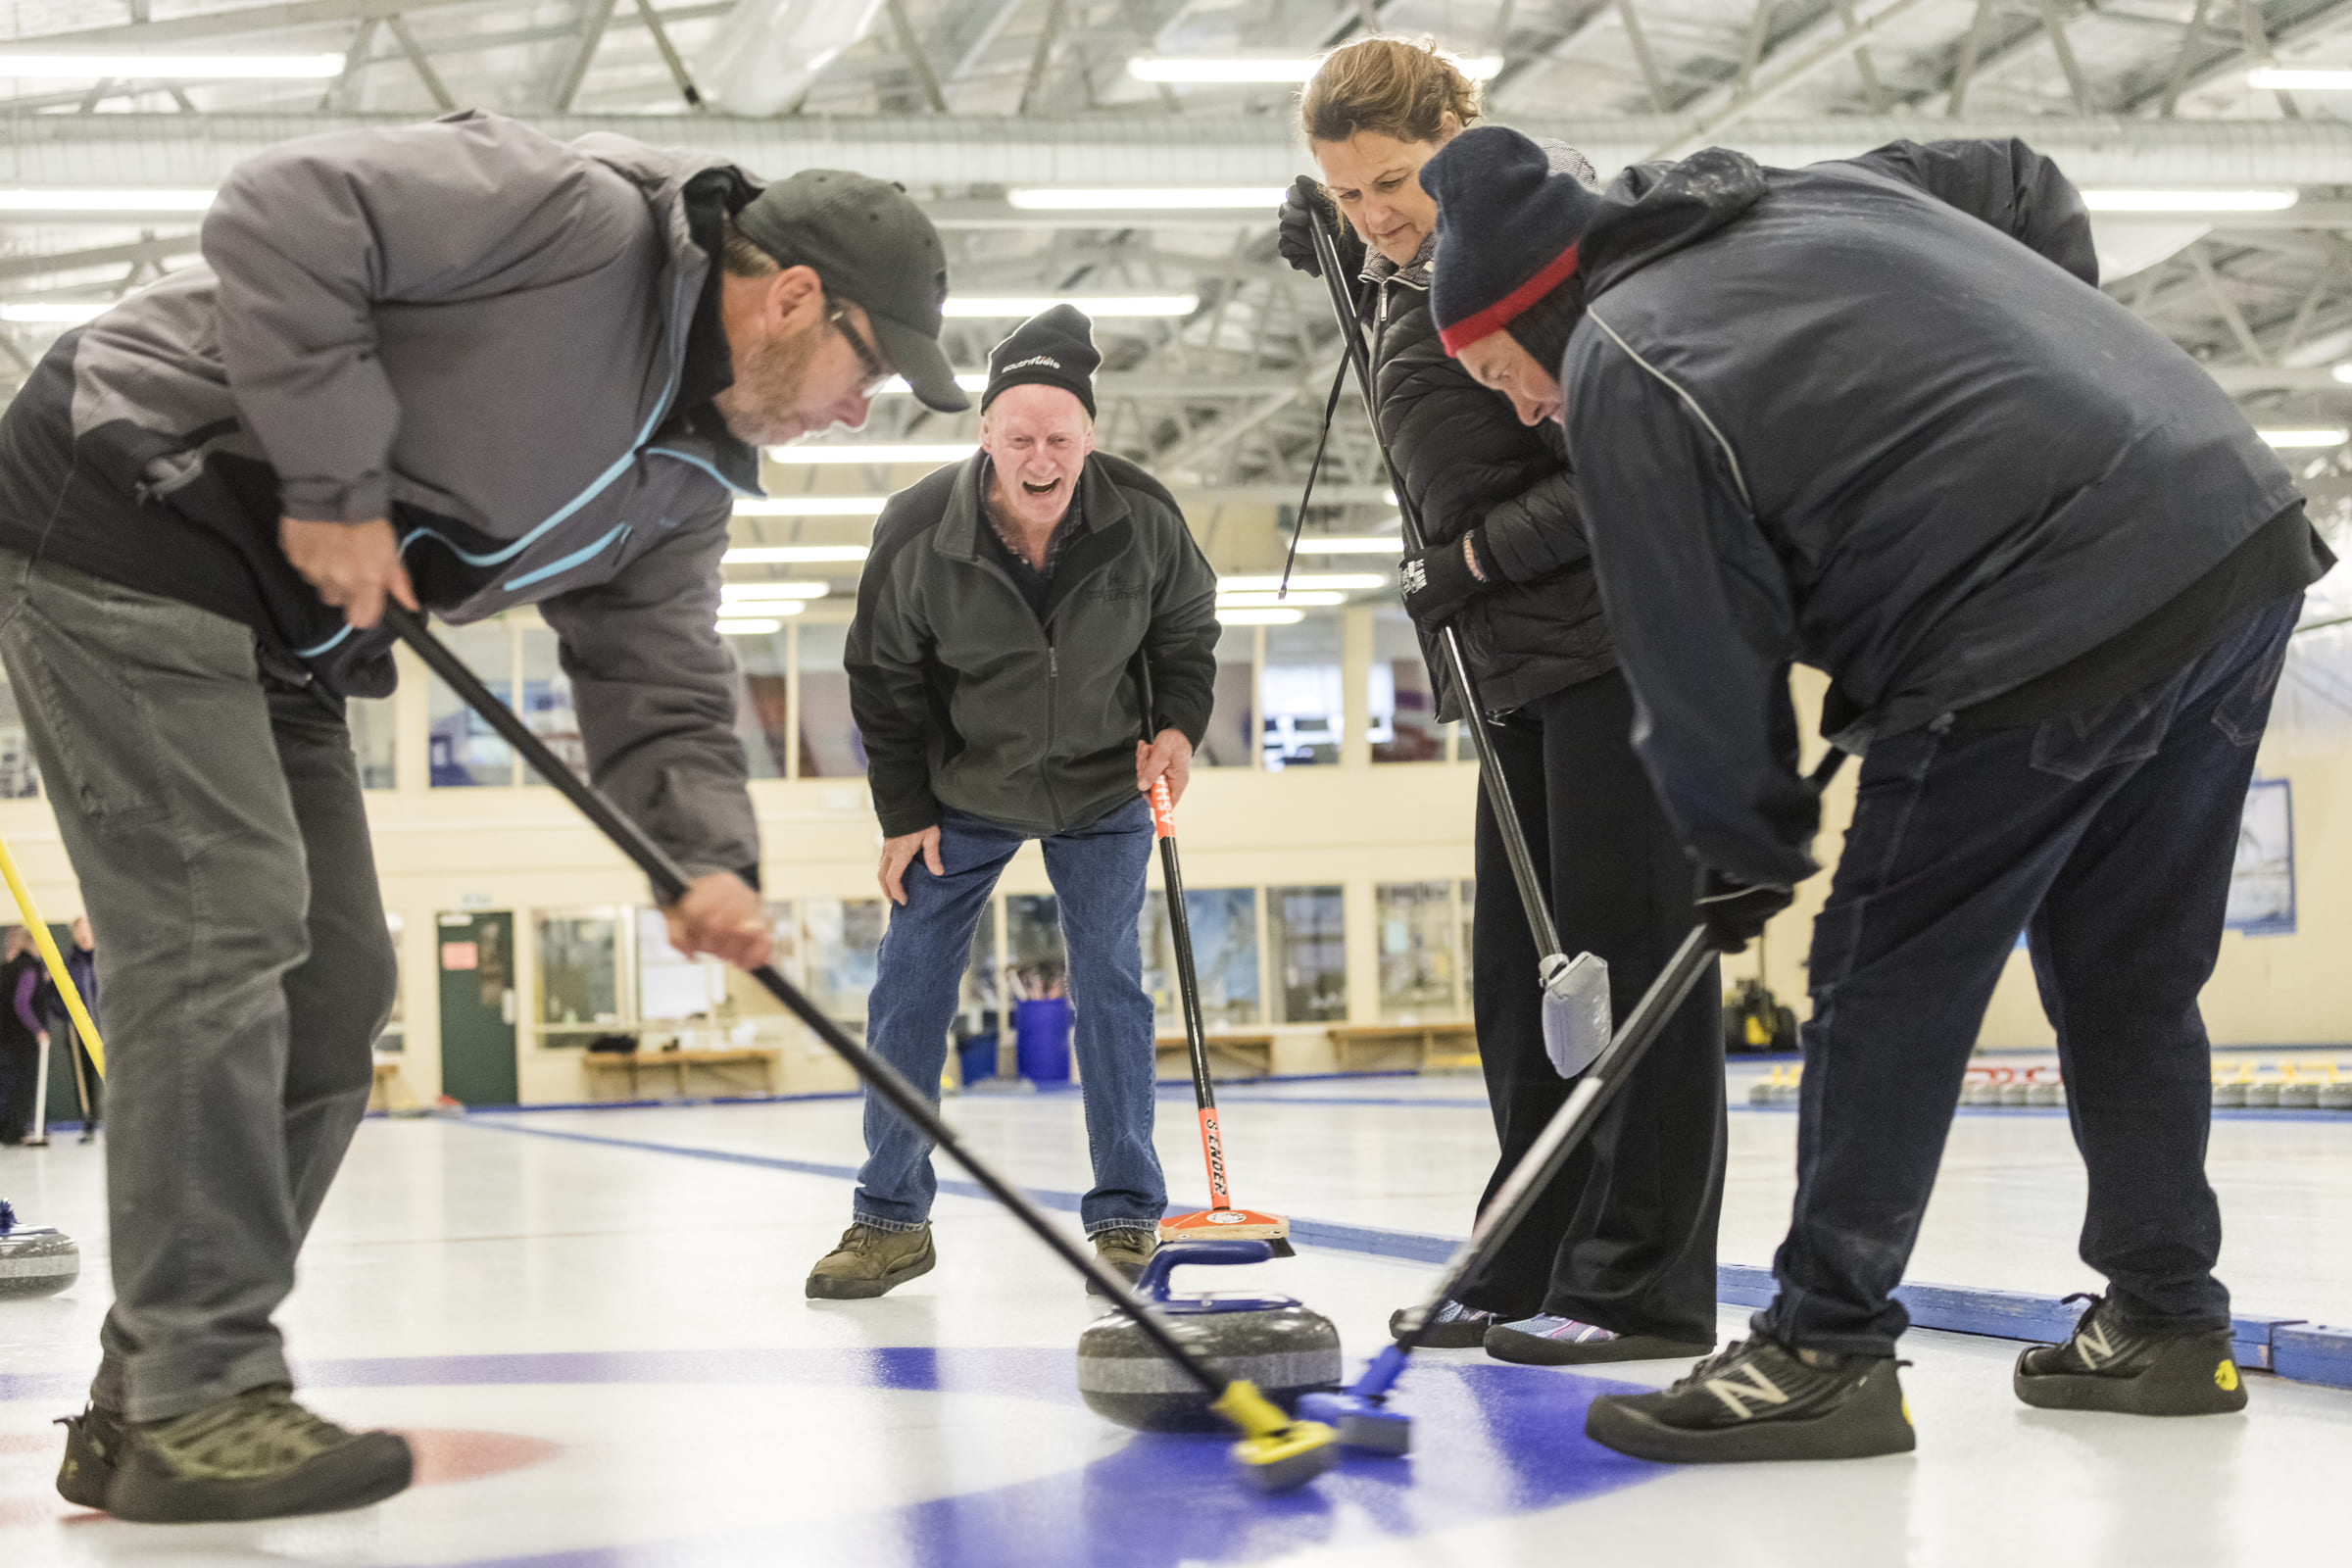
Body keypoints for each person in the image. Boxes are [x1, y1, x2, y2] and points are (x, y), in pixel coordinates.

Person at [0, 109, 967, 1523]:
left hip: (288, 627)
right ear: (792, 297)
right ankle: (201, 1393)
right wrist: (334, 483)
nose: (856, 407)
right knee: (225, 931)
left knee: (334, 987)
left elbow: (657, 674)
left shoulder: (682, 485)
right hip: (131, 500)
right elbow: (285, 203)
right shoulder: (578, 220)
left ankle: (155, 1394)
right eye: (866, 369)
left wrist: (704, 856)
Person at [1419, 125, 2328, 1461]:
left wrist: (1737, 839)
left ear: (1532, 307)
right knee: (2127, 971)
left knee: (1878, 974)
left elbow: (1690, 640)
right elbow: (2026, 178)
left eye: (1505, 375)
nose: (1524, 411)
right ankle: (2167, 1323)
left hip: (2028, 621)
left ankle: (1823, 1347)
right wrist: (2067, 403)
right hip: (2230, 541)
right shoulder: (1810, 193)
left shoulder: (1621, 358)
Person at [1272, 37, 1725, 1369]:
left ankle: (1643, 1283)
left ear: (1465, 133)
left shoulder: (1541, 238)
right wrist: (1354, 258)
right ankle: (1523, 1249)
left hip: (1617, 653)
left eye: (1394, 183)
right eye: (1348, 194)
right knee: (1519, 981)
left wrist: (1473, 558)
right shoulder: (1407, 258)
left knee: (1631, 968)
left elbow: (1629, 455)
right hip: (1513, 666)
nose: (1377, 214)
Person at [813, 305, 1218, 1300]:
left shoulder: (1145, 515)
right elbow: (879, 676)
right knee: (908, 984)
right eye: (1021, 436)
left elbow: (1185, 632)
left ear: (1091, 433)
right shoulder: (917, 528)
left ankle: (1127, 1211)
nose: (1042, 457)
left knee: (1111, 983)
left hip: (1103, 783)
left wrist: (1179, 724)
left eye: (1062, 438)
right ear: (985, 434)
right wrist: (903, 811)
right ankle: (890, 1221)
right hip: (961, 792)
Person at [37, 917, 102, 1141]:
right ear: (74, 935)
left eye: (87, 931)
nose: (84, 936)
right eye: (79, 932)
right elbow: (52, 994)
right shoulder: (66, 964)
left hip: (109, 1029)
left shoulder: (104, 958)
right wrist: (67, 1015)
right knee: (83, 1079)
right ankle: (89, 1123)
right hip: (78, 1033)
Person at [0, 926, 42, 1146]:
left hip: (7, 1039)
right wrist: (39, 1030)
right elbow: (21, 1003)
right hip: (23, 1040)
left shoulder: (8, 969)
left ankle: (9, 1129)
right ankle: (15, 1131)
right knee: (22, 1085)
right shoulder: (28, 969)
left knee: (9, 1084)